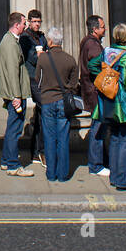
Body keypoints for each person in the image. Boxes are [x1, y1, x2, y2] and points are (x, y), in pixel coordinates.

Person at [87, 22, 126, 190]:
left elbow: (92, 65)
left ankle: (115, 178)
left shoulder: (107, 51)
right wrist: (116, 79)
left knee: (115, 139)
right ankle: (123, 180)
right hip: (123, 101)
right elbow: (125, 79)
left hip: (108, 100)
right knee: (124, 141)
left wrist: (105, 78)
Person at [35, 25, 79, 182]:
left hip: (47, 101)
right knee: (63, 138)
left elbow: (37, 80)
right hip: (63, 101)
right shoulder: (70, 59)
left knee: (49, 137)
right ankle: (63, 174)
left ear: (50, 41)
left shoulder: (43, 58)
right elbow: (74, 84)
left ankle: (51, 173)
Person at [0, 12, 34, 176]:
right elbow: (12, 70)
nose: (26, 26)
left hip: (14, 92)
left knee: (12, 127)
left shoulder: (10, 41)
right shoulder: (10, 43)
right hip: (15, 94)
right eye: (24, 23)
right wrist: (16, 96)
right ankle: (12, 165)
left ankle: (6, 160)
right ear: (17, 25)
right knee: (15, 129)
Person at [78, 14, 109, 178]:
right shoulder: (93, 45)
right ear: (95, 29)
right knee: (98, 128)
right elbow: (97, 67)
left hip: (92, 91)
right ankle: (96, 165)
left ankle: (102, 161)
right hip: (96, 92)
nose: (105, 29)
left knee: (99, 127)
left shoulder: (89, 43)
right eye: (102, 27)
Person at [18, 10, 46, 164]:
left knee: (41, 114)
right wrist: (42, 55)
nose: (36, 24)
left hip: (42, 77)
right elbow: (31, 57)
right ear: (28, 21)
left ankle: (36, 151)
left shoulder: (41, 36)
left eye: (38, 21)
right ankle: (38, 151)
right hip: (32, 77)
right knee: (43, 109)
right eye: (34, 21)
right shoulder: (25, 38)